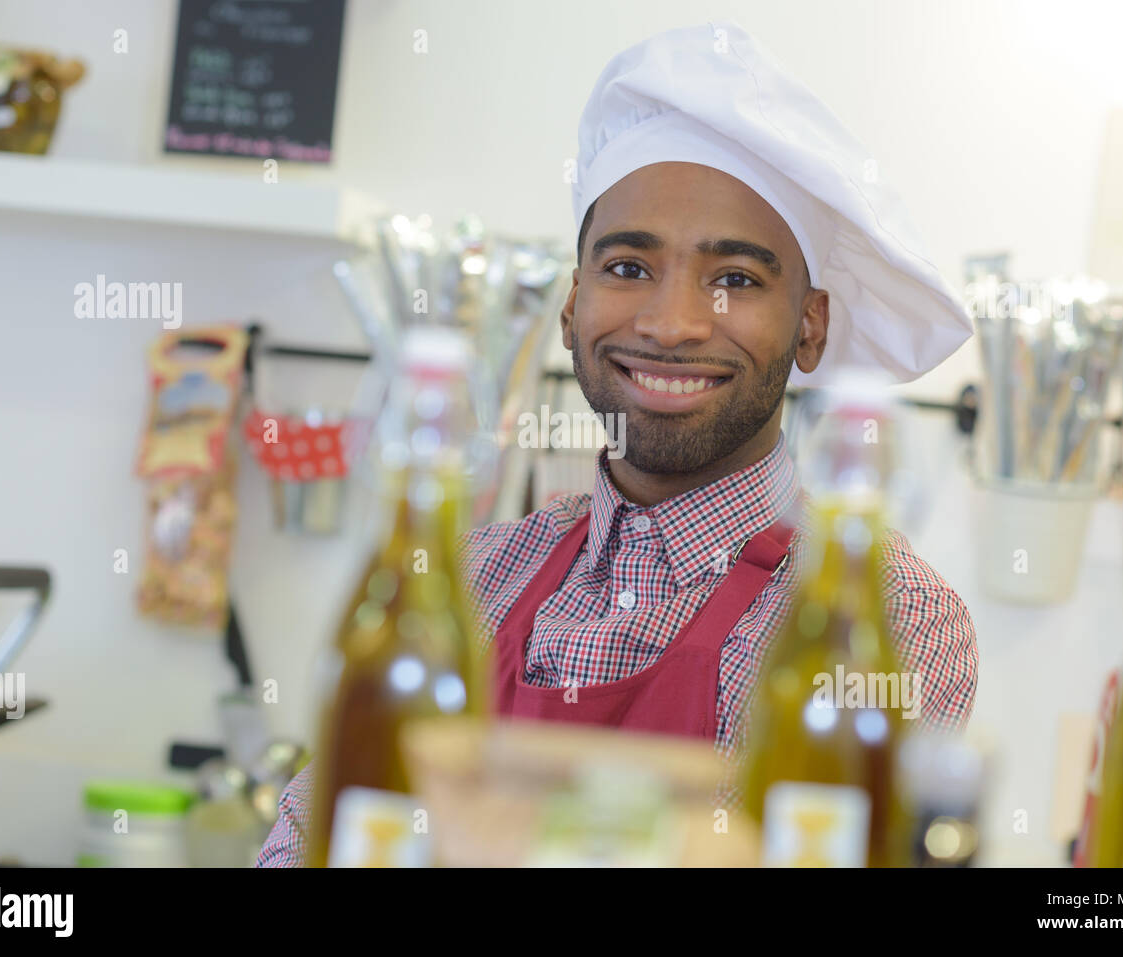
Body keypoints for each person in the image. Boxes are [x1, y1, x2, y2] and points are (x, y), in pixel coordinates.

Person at [257, 20, 977, 867]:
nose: (670, 324)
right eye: (628, 267)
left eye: (735, 279)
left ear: (810, 327)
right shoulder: (468, 576)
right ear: (570, 306)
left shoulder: (880, 615)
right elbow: (317, 833)